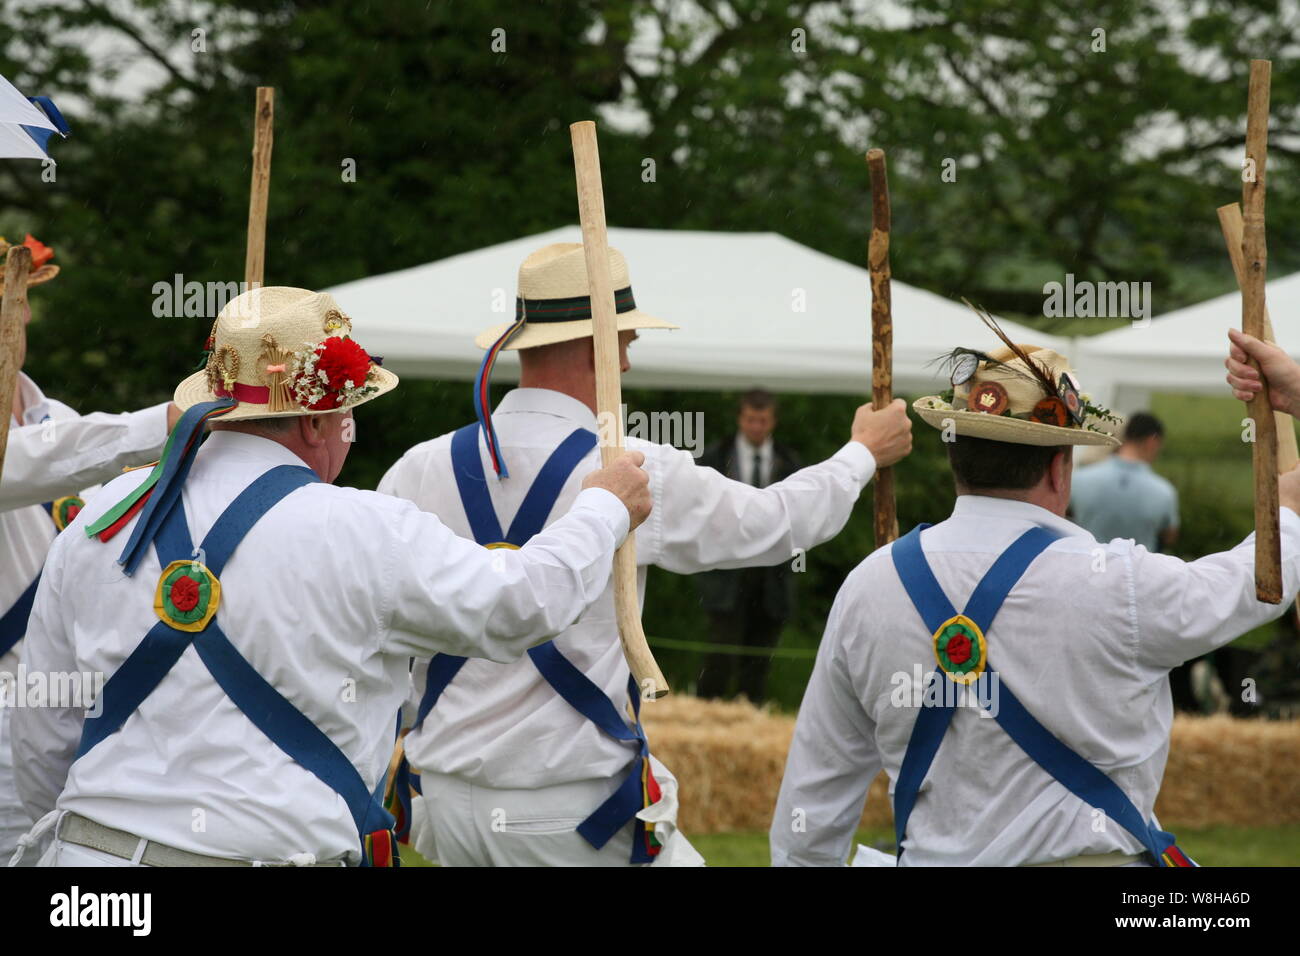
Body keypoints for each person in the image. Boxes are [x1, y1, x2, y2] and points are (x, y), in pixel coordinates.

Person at [10, 286, 650, 867]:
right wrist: (604, 508)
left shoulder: (99, 518)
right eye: (350, 411)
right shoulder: (367, 529)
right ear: (316, 421)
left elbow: (44, 736)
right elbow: (521, 603)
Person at [378, 242, 913, 866]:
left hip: (440, 804)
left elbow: (388, 638)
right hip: (569, 813)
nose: (628, 364)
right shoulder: (632, 467)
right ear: (596, 348)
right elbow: (774, 523)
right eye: (624, 341)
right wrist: (861, 453)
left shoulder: (417, 469)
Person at [771, 336, 1300, 866]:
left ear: (956, 454)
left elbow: (813, 804)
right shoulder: (1121, 584)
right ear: (1058, 467)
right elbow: (1259, 584)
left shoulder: (869, 585)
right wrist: (1289, 510)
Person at [0, 234, 181, 862]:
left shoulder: (59, 419)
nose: (13, 316)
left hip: (70, 712)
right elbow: (15, 466)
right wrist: (167, 422)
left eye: (15, 300)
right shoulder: (71, 440)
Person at [694, 388, 802, 701]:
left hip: (771, 579)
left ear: (773, 422)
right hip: (726, 573)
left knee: (759, 657)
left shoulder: (790, 463)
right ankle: (706, 712)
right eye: (751, 419)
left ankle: (750, 712)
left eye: (763, 420)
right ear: (741, 419)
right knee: (719, 652)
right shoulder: (714, 459)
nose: (756, 426)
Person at [1070, 412, 1178, 553]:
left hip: (1089, 567)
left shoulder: (1080, 478)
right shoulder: (1164, 491)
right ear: (1153, 441)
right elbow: (1169, 536)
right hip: (1136, 572)